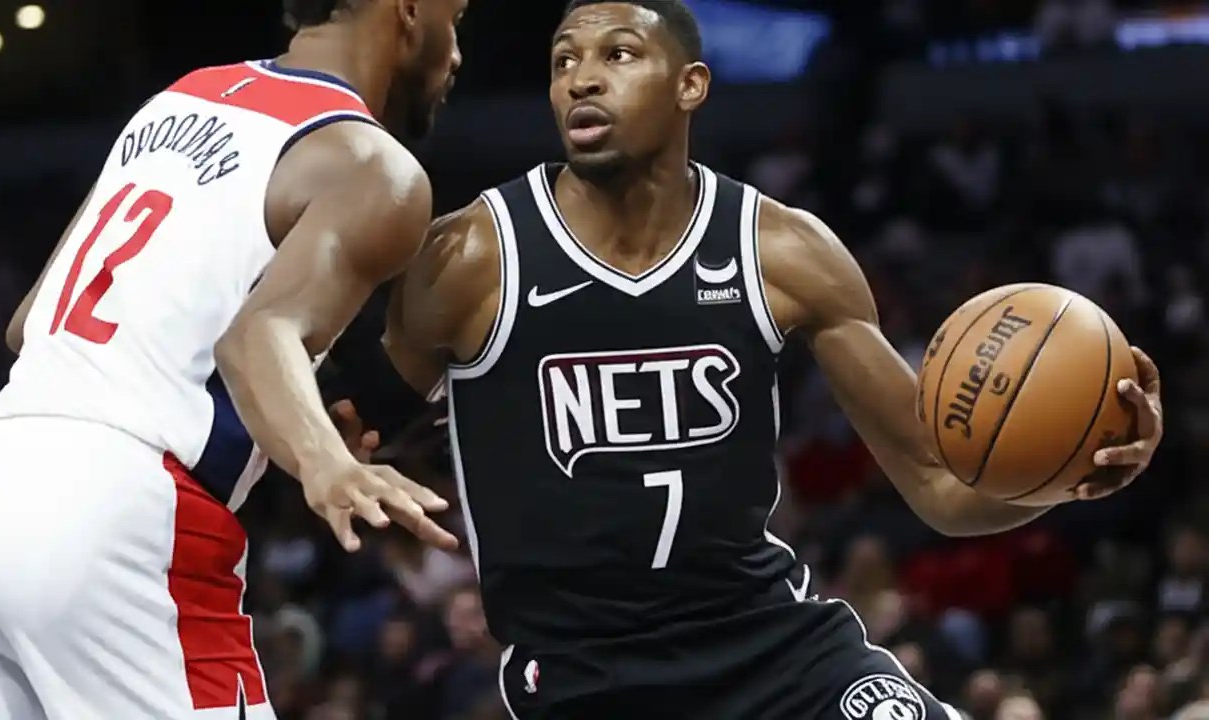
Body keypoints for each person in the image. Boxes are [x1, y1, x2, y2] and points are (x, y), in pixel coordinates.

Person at [378, 1, 1165, 718]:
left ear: (690, 86)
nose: (583, 78)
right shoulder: (473, 255)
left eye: (618, 55)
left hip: (779, 650)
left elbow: (938, 485)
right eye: (563, 61)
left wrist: (1070, 476)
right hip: (591, 678)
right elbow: (357, 427)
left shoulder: (784, 252)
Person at [0, 0, 468, 717]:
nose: (459, 50)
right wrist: (325, 462)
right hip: (117, 519)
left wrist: (287, 413)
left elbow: (29, 324)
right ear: (406, 9)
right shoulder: (375, 168)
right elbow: (254, 339)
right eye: (457, 16)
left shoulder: (177, 99)